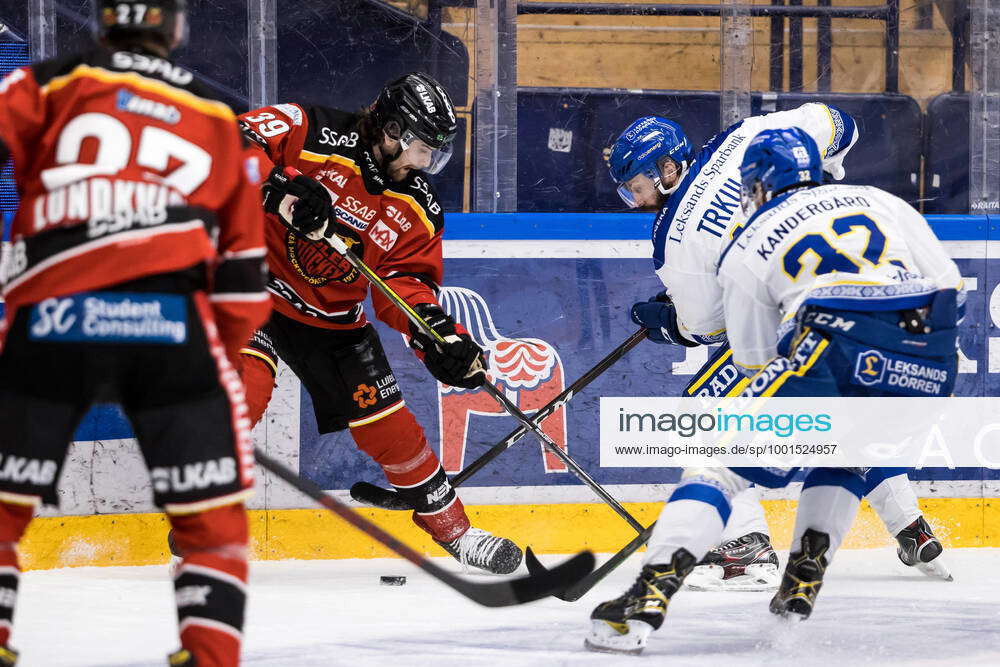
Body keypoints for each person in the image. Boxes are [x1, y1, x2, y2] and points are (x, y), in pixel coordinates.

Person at [585, 128, 963, 655]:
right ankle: (802, 581)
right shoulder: (878, 200)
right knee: (847, 455)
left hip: (833, 342)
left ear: (758, 186)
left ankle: (645, 599)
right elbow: (949, 284)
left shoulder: (752, 239)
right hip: (933, 361)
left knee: (716, 460)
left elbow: (754, 360)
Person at [0, 1, 269, 664]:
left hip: (52, 315)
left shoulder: (50, 82)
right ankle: (209, 655)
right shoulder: (220, 118)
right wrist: (203, 361)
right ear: (175, 28)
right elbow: (243, 287)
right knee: (212, 521)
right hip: (172, 325)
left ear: (103, 21)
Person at [228, 72, 522, 575]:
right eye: (421, 149)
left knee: (390, 428)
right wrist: (280, 188)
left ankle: (455, 531)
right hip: (251, 286)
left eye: (434, 153)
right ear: (390, 130)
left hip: (332, 321)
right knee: (243, 392)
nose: (425, 163)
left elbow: (405, 283)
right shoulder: (309, 128)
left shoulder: (419, 206)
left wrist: (438, 336)